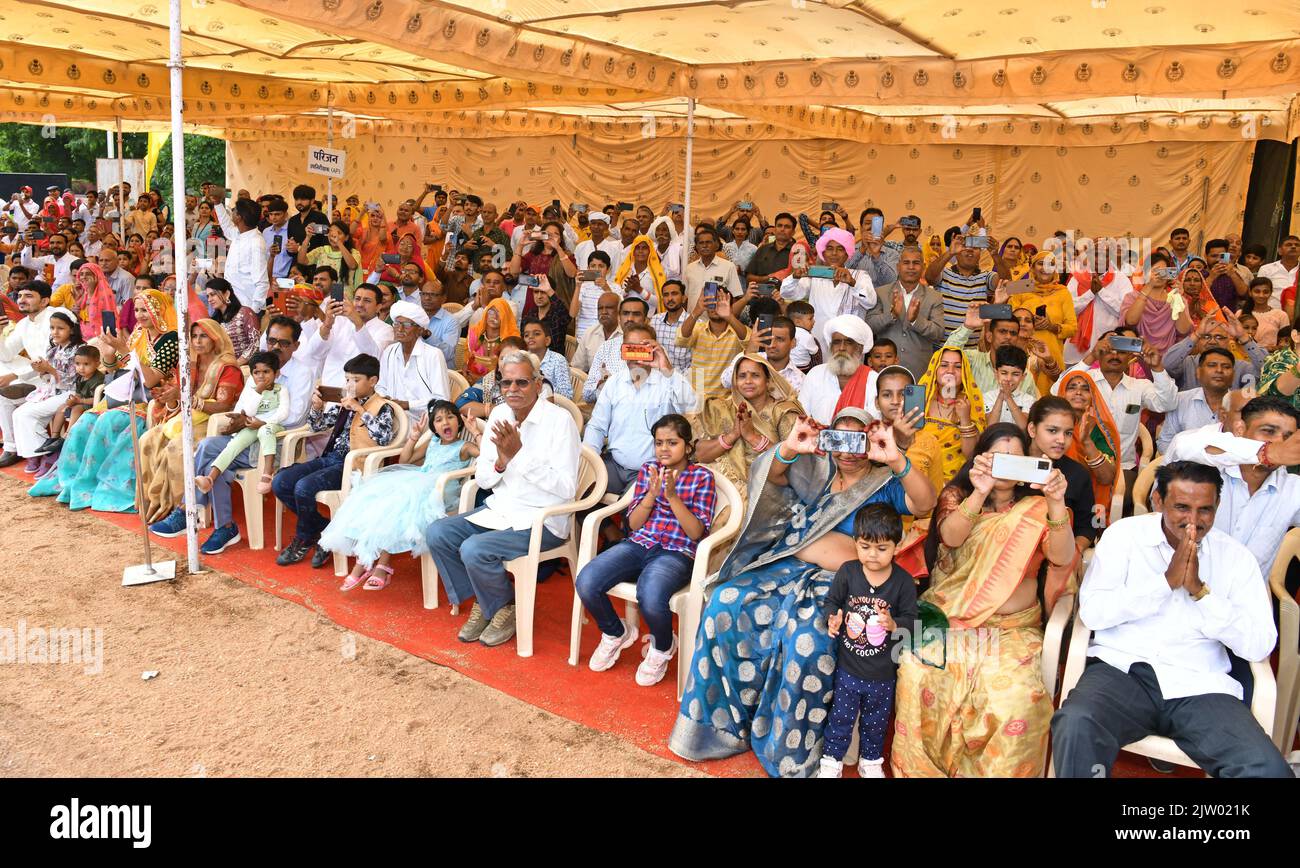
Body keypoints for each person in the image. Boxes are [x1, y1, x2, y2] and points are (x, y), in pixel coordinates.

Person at [670, 410, 935, 777]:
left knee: (807, 641)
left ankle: (788, 750)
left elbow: (924, 503)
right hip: (786, 570)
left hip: (843, 586)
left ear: (870, 440)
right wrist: (791, 447)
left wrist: (895, 457)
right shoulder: (817, 473)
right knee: (725, 602)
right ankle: (723, 728)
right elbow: (771, 479)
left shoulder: (881, 484)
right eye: (837, 440)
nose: (846, 451)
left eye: (856, 440)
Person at [1051, 461, 1291, 779]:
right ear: (1158, 501)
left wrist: (1200, 592)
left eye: (1205, 510)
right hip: (1123, 672)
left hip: (1201, 685)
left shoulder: (1235, 558)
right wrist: (1164, 583)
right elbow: (1093, 612)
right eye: (1181, 507)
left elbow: (1260, 644)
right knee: (1077, 723)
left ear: (1217, 507)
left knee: (1267, 769)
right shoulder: (1124, 537)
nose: (1193, 520)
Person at [892, 424, 1075, 777]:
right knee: (917, 671)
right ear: (981, 458)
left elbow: (1063, 556)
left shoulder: (1036, 509)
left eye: (1014, 459)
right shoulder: (960, 498)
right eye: (997, 458)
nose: (1005, 466)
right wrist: (979, 492)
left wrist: (1056, 502)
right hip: (954, 623)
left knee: (1016, 699)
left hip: (1012, 631)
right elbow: (951, 537)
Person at [424, 350, 581, 646]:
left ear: (538, 384)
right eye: (505, 383)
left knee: (473, 549)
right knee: (438, 532)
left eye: (521, 383)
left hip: (541, 518)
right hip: (501, 510)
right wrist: (501, 462)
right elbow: (484, 478)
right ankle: (491, 601)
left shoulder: (560, 422)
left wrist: (518, 455)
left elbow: (565, 488)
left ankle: (500, 605)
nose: (512, 390)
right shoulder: (498, 414)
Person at [576, 413, 716, 685]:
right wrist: (652, 495)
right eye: (659, 442)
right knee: (587, 580)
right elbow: (633, 525)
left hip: (677, 551)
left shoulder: (702, 477)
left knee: (651, 596)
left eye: (672, 442)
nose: (664, 449)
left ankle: (663, 647)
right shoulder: (648, 470)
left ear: (688, 446)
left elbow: (696, 532)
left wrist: (673, 496)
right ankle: (616, 632)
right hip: (640, 543)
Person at [30, 289, 178, 509]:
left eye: (145, 309)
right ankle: (71, 480)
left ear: (159, 309)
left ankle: (104, 486)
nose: (139, 315)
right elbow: (116, 369)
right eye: (136, 310)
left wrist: (125, 350)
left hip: (151, 398)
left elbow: (151, 380)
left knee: (107, 422)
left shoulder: (170, 339)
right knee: (84, 422)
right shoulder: (138, 333)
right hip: (124, 392)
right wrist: (109, 353)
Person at [321, 399, 478, 592]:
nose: (445, 422)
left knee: (399, 504)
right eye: (438, 420)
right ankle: (367, 560)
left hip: (441, 491)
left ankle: (374, 564)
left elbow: (488, 456)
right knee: (381, 503)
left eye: (450, 417)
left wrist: (476, 431)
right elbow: (406, 460)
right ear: (434, 428)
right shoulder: (434, 442)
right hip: (418, 483)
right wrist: (414, 437)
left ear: (459, 422)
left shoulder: (465, 446)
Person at [818, 503, 918, 779]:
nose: (872, 555)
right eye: (865, 547)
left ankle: (871, 761)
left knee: (876, 722)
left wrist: (894, 624)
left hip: (884, 673)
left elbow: (913, 622)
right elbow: (832, 602)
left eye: (882, 548)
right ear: (855, 543)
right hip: (848, 669)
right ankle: (832, 759)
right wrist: (832, 618)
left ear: (898, 545)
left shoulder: (903, 583)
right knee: (840, 718)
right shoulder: (848, 573)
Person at [274, 354, 398, 567]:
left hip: (354, 465)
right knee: (281, 481)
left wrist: (360, 410)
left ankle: (304, 537)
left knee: (303, 487)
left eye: (356, 380)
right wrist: (317, 408)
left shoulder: (383, 406)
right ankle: (324, 531)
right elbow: (317, 426)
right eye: (347, 379)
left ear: (373, 381)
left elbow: (384, 437)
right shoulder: (345, 403)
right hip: (331, 458)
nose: (350, 385)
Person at [1162, 395, 1300, 579]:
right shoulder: (1204, 468)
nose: (1279, 442)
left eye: (1288, 437)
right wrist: (1264, 453)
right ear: (1240, 429)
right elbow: (1181, 446)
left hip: (1244, 600)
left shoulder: (1292, 488)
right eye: (1268, 431)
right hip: (1179, 589)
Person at [135, 319, 244, 522]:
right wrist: (171, 397)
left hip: (214, 423)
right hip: (189, 417)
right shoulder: (191, 363)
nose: (197, 341)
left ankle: (183, 509)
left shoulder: (227, 367)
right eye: (194, 336)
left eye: (203, 336)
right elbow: (180, 395)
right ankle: (152, 503)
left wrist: (191, 401)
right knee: (147, 438)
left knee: (177, 448)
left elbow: (225, 406)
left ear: (215, 338)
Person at [1067, 331, 1177, 508]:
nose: (1115, 355)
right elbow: (1057, 389)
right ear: (1099, 352)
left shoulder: (1139, 386)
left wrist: (1157, 367)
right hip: (1079, 463)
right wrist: (1091, 356)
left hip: (1122, 467)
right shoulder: (1083, 382)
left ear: (1130, 357)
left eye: (1121, 351)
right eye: (1108, 349)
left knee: (1122, 500)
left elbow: (1168, 404)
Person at [694, 353, 802, 494]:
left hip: (769, 494)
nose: (748, 381)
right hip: (725, 489)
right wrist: (732, 435)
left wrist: (752, 437)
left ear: (768, 380)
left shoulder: (783, 413)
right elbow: (700, 455)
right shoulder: (723, 408)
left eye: (755, 375)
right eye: (742, 376)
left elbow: (795, 468)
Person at [196, 350, 288, 495]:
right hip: (252, 425)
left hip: (272, 425)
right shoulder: (253, 391)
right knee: (234, 444)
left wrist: (264, 422)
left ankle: (267, 474)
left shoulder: (281, 390)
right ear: (252, 375)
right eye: (257, 372)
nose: (261, 376)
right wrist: (258, 392)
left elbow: (283, 412)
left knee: (265, 431)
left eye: (266, 371)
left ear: (276, 374)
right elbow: (249, 412)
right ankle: (210, 478)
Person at [907, 347, 985, 495]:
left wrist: (965, 419)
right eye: (944, 365)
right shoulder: (920, 400)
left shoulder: (971, 404)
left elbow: (971, 455)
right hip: (918, 480)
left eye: (957, 366)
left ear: (965, 373)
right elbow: (905, 444)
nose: (950, 370)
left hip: (955, 485)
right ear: (934, 370)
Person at [10, 308, 82, 466]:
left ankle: (49, 456)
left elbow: (73, 380)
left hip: (70, 393)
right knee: (19, 413)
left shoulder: (78, 350)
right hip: (52, 390)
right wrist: (42, 370)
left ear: (72, 330)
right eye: (52, 328)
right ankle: (34, 454)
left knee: (27, 414)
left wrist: (49, 370)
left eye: (60, 328)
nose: (55, 332)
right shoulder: (53, 348)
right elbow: (48, 377)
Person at [863, 245, 946, 377]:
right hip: (883, 370)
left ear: (923, 267)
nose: (911, 267)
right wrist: (892, 315)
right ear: (898, 266)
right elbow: (869, 326)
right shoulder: (881, 293)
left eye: (916, 263)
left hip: (919, 371)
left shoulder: (934, 297)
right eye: (906, 262)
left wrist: (915, 321)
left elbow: (939, 333)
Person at [0, 280, 57, 468]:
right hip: (33, 374)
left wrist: (15, 376)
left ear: (44, 301)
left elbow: (52, 358)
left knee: (7, 388)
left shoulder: (55, 318)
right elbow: (7, 355)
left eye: (29, 296)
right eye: (20, 295)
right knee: (3, 392)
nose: (22, 300)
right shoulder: (24, 323)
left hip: (53, 377)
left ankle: (23, 448)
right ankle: (11, 447)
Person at [1053, 369, 1121, 525]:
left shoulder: (1102, 429)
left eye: (1085, 389)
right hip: (1052, 493)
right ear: (1062, 392)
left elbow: (1106, 478)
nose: (1078, 392)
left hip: (1090, 500)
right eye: (1072, 387)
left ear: (1093, 397)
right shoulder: (1050, 426)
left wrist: (1087, 441)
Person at [924, 227, 1012, 341]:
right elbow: (929, 277)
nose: (970, 250)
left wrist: (995, 255)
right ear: (957, 251)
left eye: (975, 247)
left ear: (980, 253)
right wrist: (950, 252)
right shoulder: (944, 273)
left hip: (971, 352)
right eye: (965, 246)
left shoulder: (986, 277)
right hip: (941, 349)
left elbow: (1006, 284)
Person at [1010, 251, 1077, 394]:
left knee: (1047, 398)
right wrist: (1027, 321)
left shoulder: (1063, 291)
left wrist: (1051, 326)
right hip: (1021, 351)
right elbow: (1009, 320)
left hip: (1050, 353)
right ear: (1032, 268)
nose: (1045, 268)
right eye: (1041, 263)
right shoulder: (1020, 286)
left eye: (1051, 264)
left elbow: (1072, 328)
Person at [677, 279, 746, 407]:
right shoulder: (698, 328)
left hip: (726, 401)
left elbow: (749, 342)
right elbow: (681, 339)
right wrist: (697, 310)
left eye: (720, 302)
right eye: (711, 303)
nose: (715, 307)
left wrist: (729, 316)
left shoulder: (737, 331)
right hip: (696, 398)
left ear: (730, 306)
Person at [377, 300, 450, 416]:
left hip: (424, 421)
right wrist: (384, 399)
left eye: (406, 325)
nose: (399, 329)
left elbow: (442, 401)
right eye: (396, 324)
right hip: (393, 418)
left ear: (420, 330)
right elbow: (381, 386)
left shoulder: (433, 355)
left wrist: (408, 405)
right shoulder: (389, 351)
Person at [800, 314, 875, 425]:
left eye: (849, 342)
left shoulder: (873, 380)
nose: (841, 348)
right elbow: (802, 416)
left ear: (859, 348)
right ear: (830, 347)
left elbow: (875, 423)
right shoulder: (815, 374)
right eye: (837, 342)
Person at [1156, 348, 1235, 453]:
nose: (1219, 370)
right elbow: (1165, 442)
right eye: (1212, 365)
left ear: (1233, 375)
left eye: (1226, 367)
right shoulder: (1181, 400)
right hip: (1187, 466)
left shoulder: (1242, 405)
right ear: (1198, 372)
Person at [1163, 312, 1265, 391]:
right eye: (1205, 336)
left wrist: (1243, 337)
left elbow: (1266, 370)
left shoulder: (1242, 367)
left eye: (1219, 337)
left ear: (1229, 341)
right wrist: (1196, 334)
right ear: (1197, 342)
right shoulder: (1187, 363)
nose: (1212, 341)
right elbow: (1167, 364)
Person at [582, 296, 650, 403]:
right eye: (625, 313)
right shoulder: (606, 347)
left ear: (646, 320)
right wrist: (602, 386)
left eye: (636, 314)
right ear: (619, 317)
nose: (630, 319)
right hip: (610, 411)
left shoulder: (655, 350)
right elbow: (587, 393)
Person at [212, 193, 269, 313]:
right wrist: (217, 203)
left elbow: (262, 283)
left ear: (239, 217)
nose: (231, 213)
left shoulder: (256, 243)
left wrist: (253, 312)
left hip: (247, 308)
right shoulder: (240, 233)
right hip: (233, 304)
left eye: (234, 211)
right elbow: (227, 228)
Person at [42, 344, 103, 453]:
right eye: (78, 364)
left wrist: (79, 401)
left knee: (76, 409)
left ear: (97, 364)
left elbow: (97, 398)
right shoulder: (80, 377)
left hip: (96, 404)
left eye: (86, 364)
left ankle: (67, 435)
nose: (81, 368)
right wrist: (72, 401)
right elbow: (79, 393)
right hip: (82, 402)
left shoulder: (98, 379)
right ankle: (55, 437)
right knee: (62, 407)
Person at [204, 277, 260, 364]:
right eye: (208, 296)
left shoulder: (245, 313)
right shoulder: (214, 321)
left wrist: (236, 364)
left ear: (226, 293)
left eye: (213, 294)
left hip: (245, 367)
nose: (209, 299)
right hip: (223, 367)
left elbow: (255, 344)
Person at [466, 295, 519, 381]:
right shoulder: (475, 334)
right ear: (486, 314)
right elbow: (466, 363)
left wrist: (481, 381)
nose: (494, 316)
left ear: (505, 317)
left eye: (499, 313)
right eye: (491, 311)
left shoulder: (512, 342)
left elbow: (512, 374)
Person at [519, 317, 574, 399]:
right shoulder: (522, 360)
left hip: (552, 407)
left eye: (536, 334)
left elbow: (567, 395)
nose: (530, 337)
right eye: (526, 335)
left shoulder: (558, 360)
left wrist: (544, 387)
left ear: (547, 340)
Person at [985, 344, 1034, 426]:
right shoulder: (988, 397)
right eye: (1004, 373)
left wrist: (1008, 398)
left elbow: (1024, 427)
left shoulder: (1028, 400)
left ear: (1023, 377)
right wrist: (1000, 398)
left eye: (1015, 374)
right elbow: (990, 425)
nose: (1009, 378)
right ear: (996, 374)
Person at [650, 279, 692, 372]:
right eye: (666, 295)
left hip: (684, 380)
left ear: (684, 298)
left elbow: (698, 363)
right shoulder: (655, 320)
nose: (670, 298)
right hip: (658, 379)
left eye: (674, 294)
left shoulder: (695, 324)